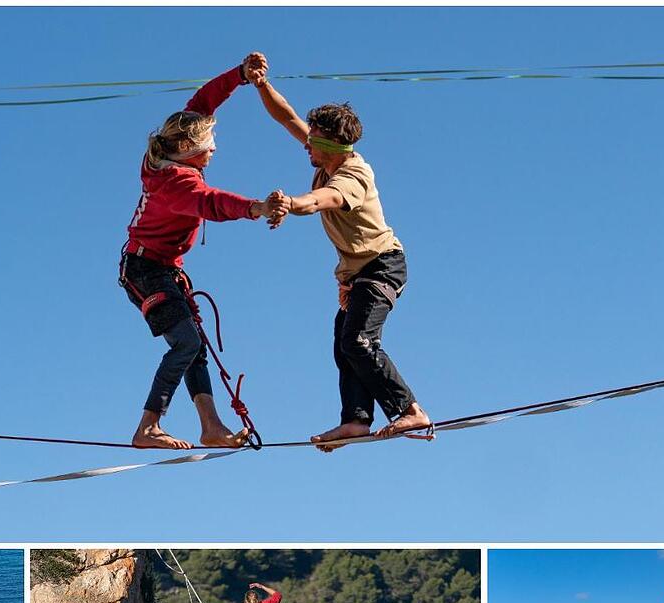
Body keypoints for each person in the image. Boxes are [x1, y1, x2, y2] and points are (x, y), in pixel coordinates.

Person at [253, 72, 431, 451]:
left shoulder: (353, 175)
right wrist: (261, 84)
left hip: (384, 264)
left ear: (331, 142)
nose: (306, 146)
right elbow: (286, 118)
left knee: (359, 340)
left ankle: (410, 410)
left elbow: (323, 200)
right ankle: (355, 420)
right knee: (343, 342)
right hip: (358, 273)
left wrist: (292, 203)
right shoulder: (326, 160)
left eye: (313, 139)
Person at [121, 52, 280, 450]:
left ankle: (211, 427)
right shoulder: (175, 182)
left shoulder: (170, 153)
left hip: (164, 267)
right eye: (209, 144)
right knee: (187, 343)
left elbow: (202, 102)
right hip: (143, 269)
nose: (215, 149)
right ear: (189, 148)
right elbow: (211, 203)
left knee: (195, 345)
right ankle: (147, 428)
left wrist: (240, 76)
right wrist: (256, 208)